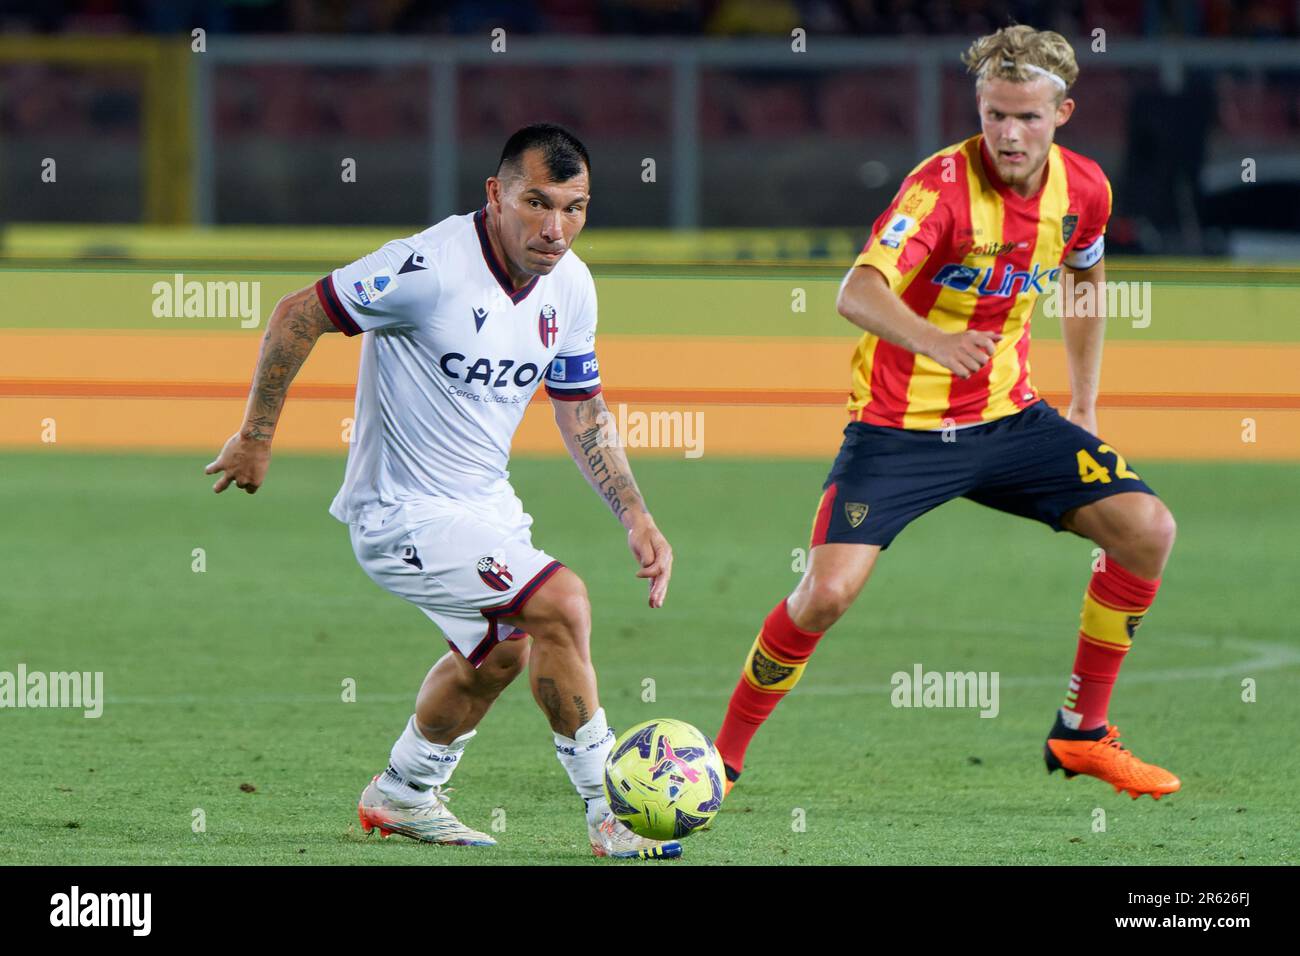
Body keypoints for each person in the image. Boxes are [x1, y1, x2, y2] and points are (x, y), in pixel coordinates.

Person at [714, 26, 1180, 801]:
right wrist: (936, 339)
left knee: (1147, 531)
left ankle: (1082, 733)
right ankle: (722, 761)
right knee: (825, 594)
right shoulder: (940, 189)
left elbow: (1087, 278)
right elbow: (856, 291)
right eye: (995, 113)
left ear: (1063, 112)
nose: (1007, 133)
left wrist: (1086, 401)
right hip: (899, 430)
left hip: (1010, 420)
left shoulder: (1087, 189)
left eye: (1027, 117)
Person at [205, 123, 681, 858]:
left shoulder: (572, 285)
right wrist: (256, 435)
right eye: (537, 203)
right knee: (563, 603)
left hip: (484, 507)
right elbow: (297, 315)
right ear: (496, 195)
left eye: (576, 207)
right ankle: (610, 807)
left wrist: (635, 513)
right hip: (398, 513)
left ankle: (400, 793)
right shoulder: (426, 268)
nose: (556, 229)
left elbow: (580, 406)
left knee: (498, 655)